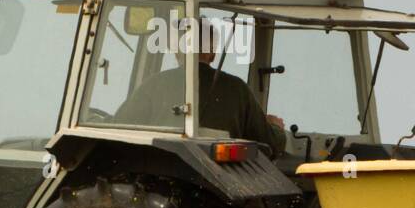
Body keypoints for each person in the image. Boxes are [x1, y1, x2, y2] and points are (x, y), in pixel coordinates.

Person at [115, 30, 287, 155]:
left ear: (177, 51)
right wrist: (276, 128)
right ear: (212, 54)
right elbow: (270, 143)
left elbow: (119, 128)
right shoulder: (238, 89)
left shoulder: (154, 84)